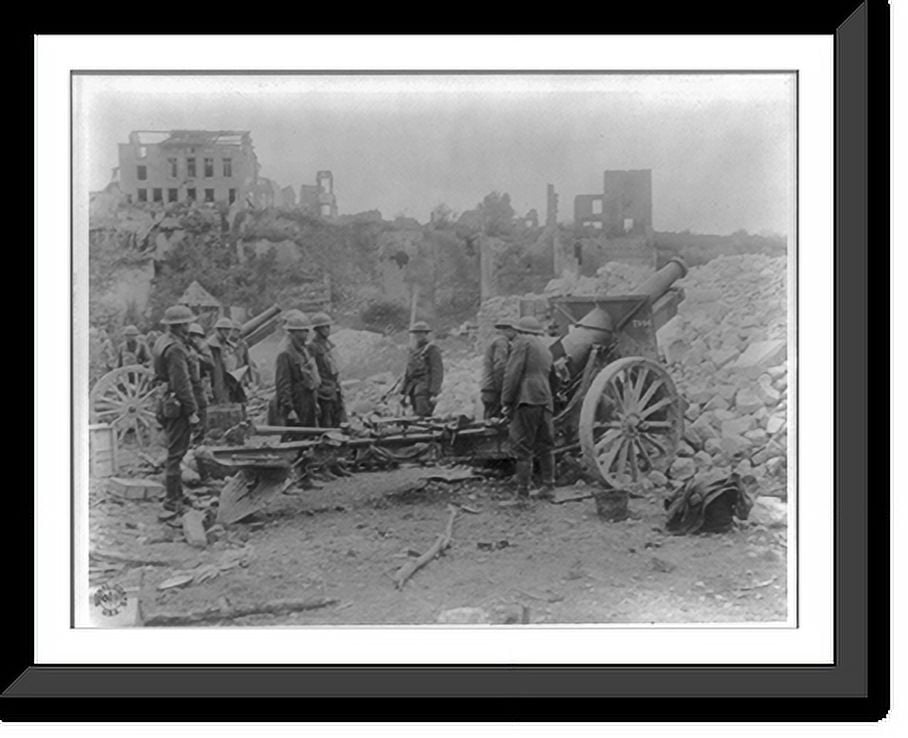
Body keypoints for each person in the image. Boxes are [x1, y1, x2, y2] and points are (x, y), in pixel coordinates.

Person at [152, 305, 201, 517]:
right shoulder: (176, 349)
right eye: (187, 323)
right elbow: (182, 383)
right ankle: (172, 501)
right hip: (178, 406)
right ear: (181, 325)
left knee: (175, 451)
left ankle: (177, 495)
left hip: (167, 401)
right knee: (176, 454)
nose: (189, 327)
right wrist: (191, 410)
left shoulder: (163, 341)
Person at [501, 315, 556, 501]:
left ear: (520, 331)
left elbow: (512, 373)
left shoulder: (522, 343)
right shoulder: (545, 349)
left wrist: (506, 401)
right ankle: (548, 486)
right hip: (544, 400)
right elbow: (553, 378)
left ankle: (522, 494)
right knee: (545, 446)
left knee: (522, 447)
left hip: (526, 399)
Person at [267, 310, 321, 428]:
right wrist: (289, 409)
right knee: (296, 435)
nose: (306, 334)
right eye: (303, 331)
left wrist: (315, 402)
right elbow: (283, 385)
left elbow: (311, 378)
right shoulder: (285, 354)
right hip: (296, 403)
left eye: (306, 330)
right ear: (293, 333)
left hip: (308, 401)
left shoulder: (304, 352)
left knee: (311, 434)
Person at [308, 311, 348, 427]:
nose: (327, 329)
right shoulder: (312, 347)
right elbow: (312, 370)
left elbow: (337, 366)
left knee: (340, 420)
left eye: (328, 326)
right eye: (324, 327)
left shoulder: (330, 344)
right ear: (317, 329)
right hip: (323, 390)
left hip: (334, 387)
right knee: (326, 421)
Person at [400, 321, 444, 417]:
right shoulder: (413, 351)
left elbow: (437, 371)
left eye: (420, 333)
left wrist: (434, 391)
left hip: (425, 387)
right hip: (412, 387)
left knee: (423, 412)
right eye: (415, 333)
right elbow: (408, 371)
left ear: (426, 334)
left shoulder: (432, 349)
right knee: (414, 411)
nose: (418, 335)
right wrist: (403, 388)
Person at [480, 320, 517, 419]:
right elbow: (500, 367)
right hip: (494, 390)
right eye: (515, 331)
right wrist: (504, 390)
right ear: (508, 330)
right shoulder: (501, 342)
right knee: (495, 422)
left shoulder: (495, 341)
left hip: (489, 389)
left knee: (490, 420)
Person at [206, 316, 246, 405]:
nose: (228, 332)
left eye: (229, 330)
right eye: (225, 330)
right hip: (216, 383)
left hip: (230, 383)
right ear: (218, 330)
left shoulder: (230, 346)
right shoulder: (209, 347)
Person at [186, 322, 213, 443]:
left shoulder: (203, 347)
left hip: (198, 381)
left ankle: (200, 436)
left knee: (201, 407)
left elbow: (210, 363)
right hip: (185, 382)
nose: (194, 339)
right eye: (191, 335)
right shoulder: (182, 346)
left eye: (196, 336)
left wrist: (197, 357)